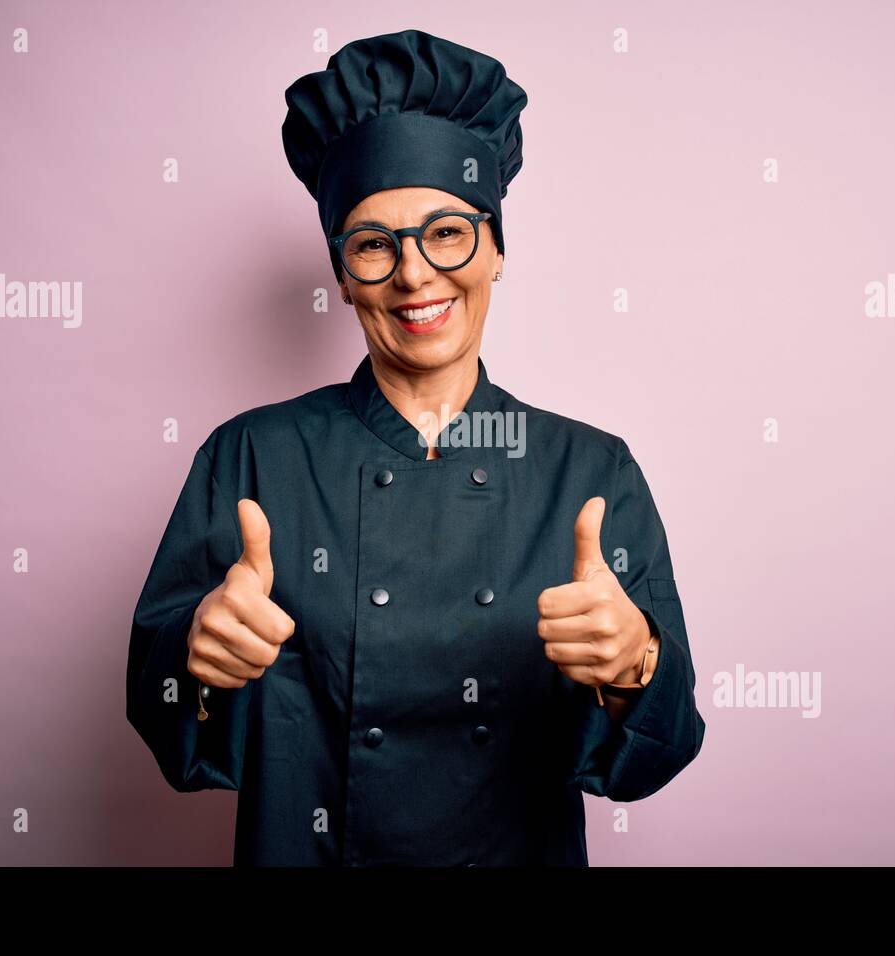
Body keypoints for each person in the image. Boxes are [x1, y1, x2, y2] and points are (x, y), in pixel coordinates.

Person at [126, 28, 706, 867]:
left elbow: (666, 743)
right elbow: (164, 719)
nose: (414, 275)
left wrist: (635, 664)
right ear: (340, 274)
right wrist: (198, 662)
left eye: (447, 232)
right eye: (373, 245)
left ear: (496, 249)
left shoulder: (591, 471)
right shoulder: (250, 458)